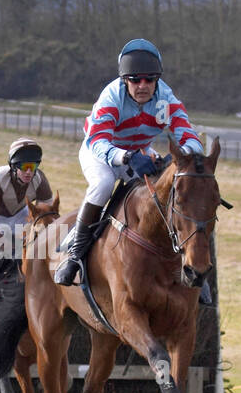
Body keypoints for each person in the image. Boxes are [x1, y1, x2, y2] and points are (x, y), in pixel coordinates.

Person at [53, 38, 205, 287]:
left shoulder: (166, 99)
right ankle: (74, 255)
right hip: (100, 152)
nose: (143, 86)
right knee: (104, 183)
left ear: (157, 79)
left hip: (139, 152)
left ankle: (189, 263)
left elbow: (190, 137)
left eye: (149, 79)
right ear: (125, 80)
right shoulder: (111, 96)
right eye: (135, 80)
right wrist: (127, 157)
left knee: (172, 192)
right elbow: (98, 141)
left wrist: (175, 158)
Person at [0, 137, 53, 334]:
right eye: (24, 166)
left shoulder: (40, 180)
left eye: (33, 166)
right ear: (13, 166)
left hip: (21, 217)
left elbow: (48, 215)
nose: (28, 172)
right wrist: (6, 245)